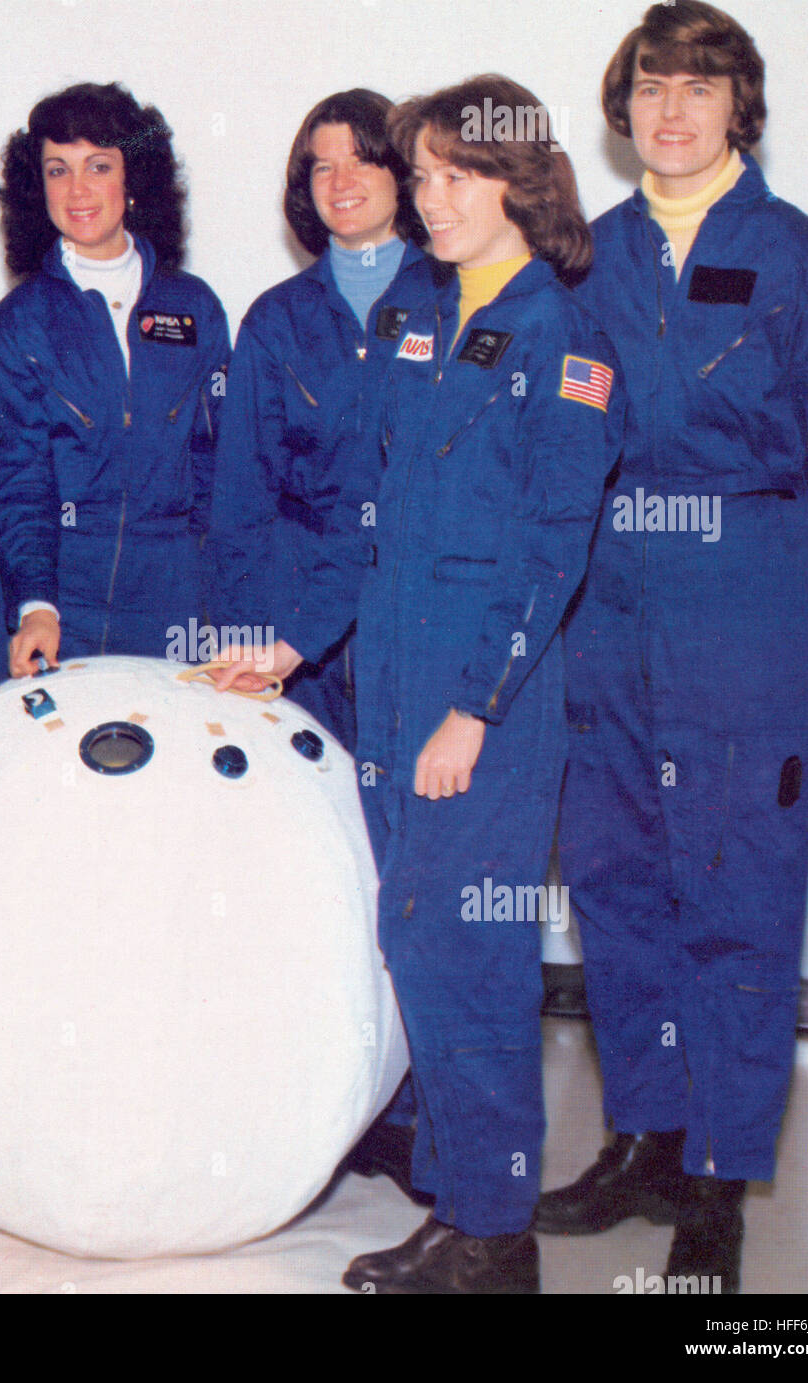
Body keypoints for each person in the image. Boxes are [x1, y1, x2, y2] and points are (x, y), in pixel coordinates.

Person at [540, 1, 808, 1292]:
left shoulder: (805, 260)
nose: (672, 111)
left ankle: (722, 1180)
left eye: (700, 87)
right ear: (623, 114)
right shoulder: (587, 262)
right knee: (620, 879)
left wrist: (764, 567)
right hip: (606, 607)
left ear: (741, 109)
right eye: (651, 89)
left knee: (736, 890)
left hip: (744, 605)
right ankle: (650, 1136)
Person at [339, 77, 623, 1294]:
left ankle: (498, 1233)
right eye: (422, 178)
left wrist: (474, 711)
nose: (431, 200)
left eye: (458, 176)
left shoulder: (563, 340)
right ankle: (462, 1205)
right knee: (421, 942)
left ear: (520, 185)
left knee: (472, 956)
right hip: (394, 680)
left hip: (479, 707)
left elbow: (551, 551)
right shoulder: (426, 314)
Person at [206, 89, 439, 1199]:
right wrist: (258, 648)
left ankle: (422, 1113)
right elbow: (240, 505)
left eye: (361, 161)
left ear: (405, 174)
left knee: (417, 881)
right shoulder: (273, 319)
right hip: (294, 649)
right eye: (316, 167)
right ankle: (325, 1106)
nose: (338, 182)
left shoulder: (454, 295)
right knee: (316, 878)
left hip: (412, 631)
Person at [0, 82, 229, 688]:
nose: (78, 190)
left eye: (99, 166)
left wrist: (220, 602)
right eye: (58, 170)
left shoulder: (197, 310)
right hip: (54, 601)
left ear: (134, 181)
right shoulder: (15, 325)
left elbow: (221, 468)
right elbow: (17, 482)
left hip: (172, 603)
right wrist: (36, 604)